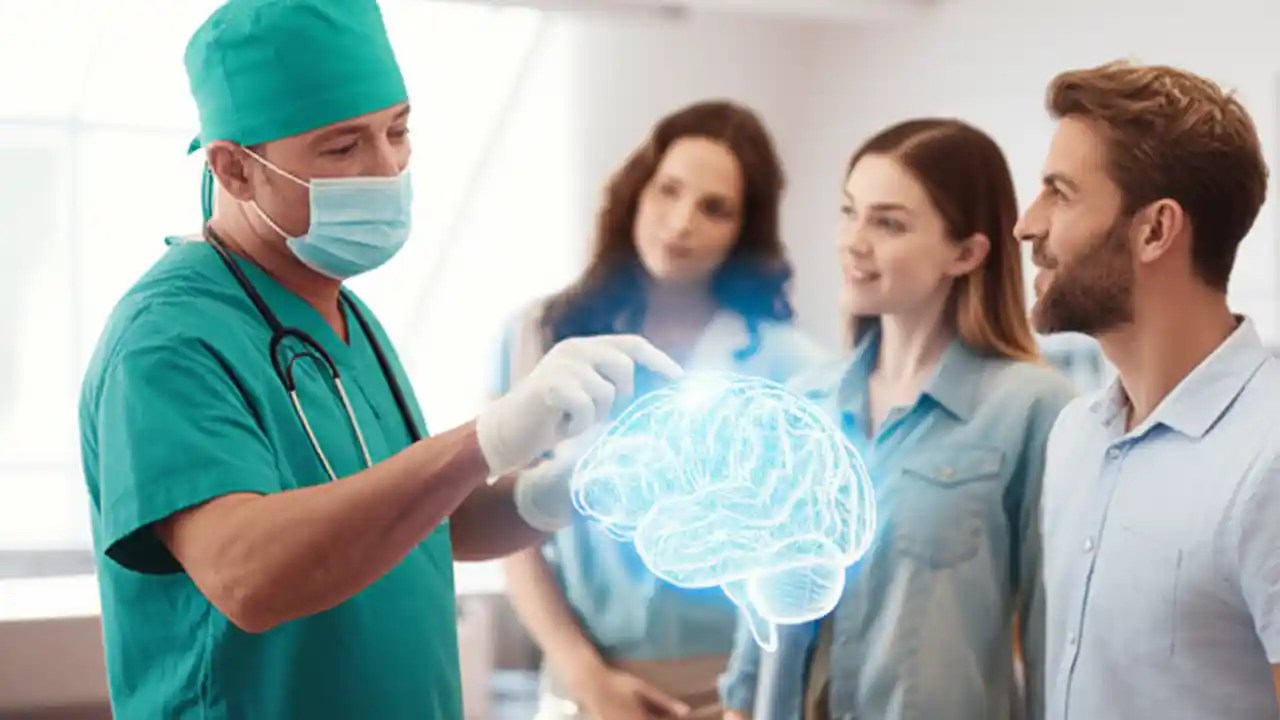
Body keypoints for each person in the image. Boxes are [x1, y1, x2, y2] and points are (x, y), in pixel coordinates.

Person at [76, 1, 682, 718]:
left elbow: (414, 522)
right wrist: (482, 439)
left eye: (397, 130)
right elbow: (248, 575)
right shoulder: (168, 340)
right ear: (234, 169)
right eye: (342, 148)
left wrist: (562, 491)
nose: (387, 167)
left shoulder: (342, 315)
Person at [719, 118, 1077, 720]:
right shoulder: (801, 406)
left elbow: (1052, 639)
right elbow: (759, 614)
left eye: (887, 223)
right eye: (849, 211)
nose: (853, 241)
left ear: (966, 252)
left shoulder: (1033, 409)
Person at [492, 100, 827, 720]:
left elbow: (806, 555)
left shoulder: (792, 365)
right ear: (634, 193)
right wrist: (587, 676)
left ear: (743, 230)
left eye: (714, 208)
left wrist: (756, 692)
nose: (680, 223)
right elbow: (505, 527)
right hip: (583, 685)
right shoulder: (538, 337)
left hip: (734, 693)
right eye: (668, 190)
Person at [1019, 60, 1280, 720]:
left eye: (1061, 193)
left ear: (1156, 229)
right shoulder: (1075, 435)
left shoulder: (1269, 459)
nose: (1028, 225)